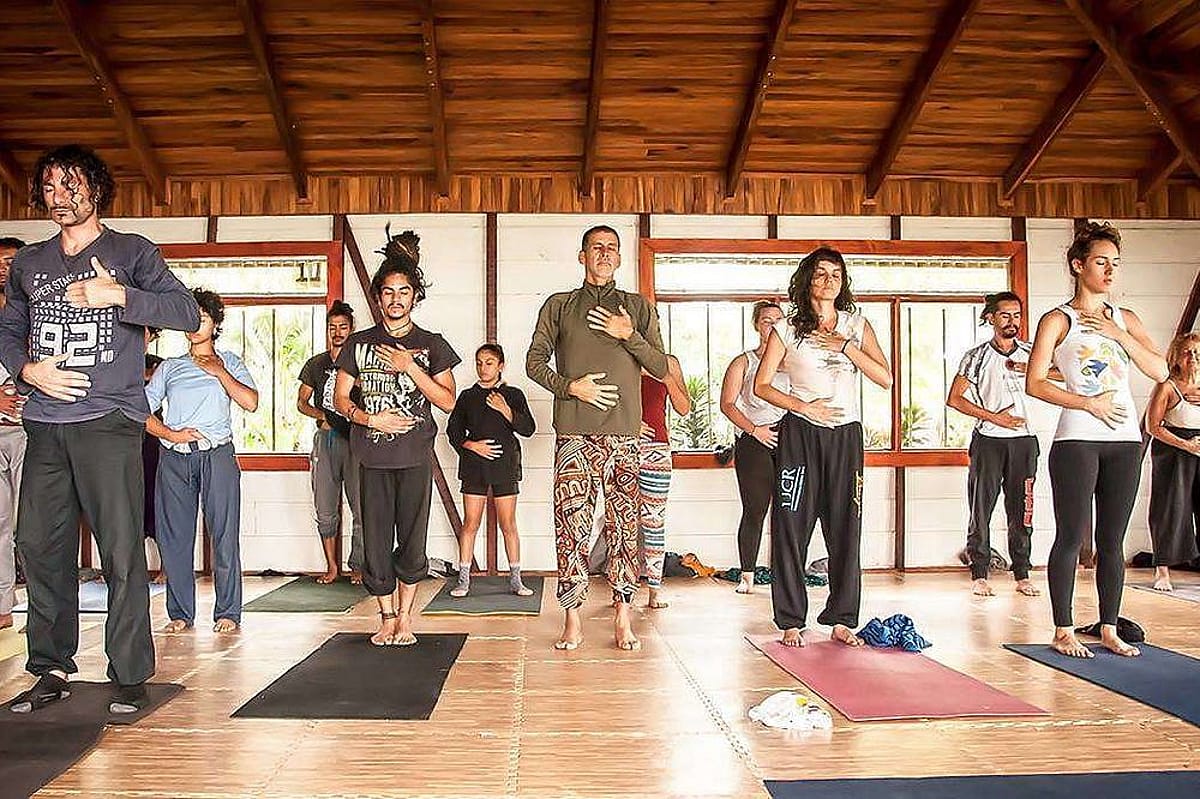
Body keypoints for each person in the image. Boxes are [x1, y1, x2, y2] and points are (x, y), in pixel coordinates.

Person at [0, 144, 200, 714]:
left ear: (95, 189)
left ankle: (131, 675)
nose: (60, 197)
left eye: (71, 185)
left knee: (119, 551)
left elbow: (186, 314)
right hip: (43, 421)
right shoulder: (31, 263)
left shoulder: (131, 252)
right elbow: (8, 327)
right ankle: (52, 667)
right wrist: (26, 367)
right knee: (39, 546)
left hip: (110, 421)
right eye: (50, 187)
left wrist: (120, 295)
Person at [1026, 221, 1167, 659]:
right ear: (1078, 264)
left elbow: (1162, 371)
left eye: (1116, 264)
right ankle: (1063, 628)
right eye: (1101, 262)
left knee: (1113, 540)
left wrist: (1118, 334)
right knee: (1071, 536)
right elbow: (1035, 383)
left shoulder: (1126, 319)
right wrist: (1087, 404)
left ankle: (1108, 627)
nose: (1110, 271)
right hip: (1077, 441)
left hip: (1124, 442)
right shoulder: (1057, 319)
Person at [526, 224, 667, 651]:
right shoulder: (560, 305)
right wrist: (572, 387)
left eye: (611, 248)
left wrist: (629, 335)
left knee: (625, 528)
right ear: (582, 256)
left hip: (626, 437)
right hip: (574, 434)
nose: (604, 254)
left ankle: (624, 618)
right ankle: (572, 618)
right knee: (571, 528)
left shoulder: (638, 309)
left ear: (620, 258)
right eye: (596, 248)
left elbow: (660, 366)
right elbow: (534, 363)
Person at [753, 247, 892, 648]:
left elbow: (885, 377)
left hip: (845, 436)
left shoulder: (857, 325)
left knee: (846, 526)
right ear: (807, 280)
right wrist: (802, 406)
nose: (829, 280)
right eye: (820, 274)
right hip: (800, 434)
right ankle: (791, 619)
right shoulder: (787, 329)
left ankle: (842, 617)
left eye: (836, 274)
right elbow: (761, 384)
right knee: (791, 526)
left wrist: (846, 346)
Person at [334, 229, 459, 647]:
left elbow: (447, 401)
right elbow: (338, 398)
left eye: (403, 292)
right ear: (379, 297)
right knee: (374, 546)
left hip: (414, 459)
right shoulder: (358, 343)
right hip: (371, 458)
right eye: (388, 292)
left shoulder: (432, 345)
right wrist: (369, 418)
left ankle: (406, 618)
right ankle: (385, 617)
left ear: (414, 297)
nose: (395, 299)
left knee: (412, 544)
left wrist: (411, 367)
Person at [146, 289, 258, 634]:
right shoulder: (169, 367)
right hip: (176, 459)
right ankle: (180, 613)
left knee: (224, 536)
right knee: (175, 538)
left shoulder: (231, 361)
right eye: (190, 318)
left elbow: (251, 402)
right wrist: (170, 433)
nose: (196, 325)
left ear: (216, 323)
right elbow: (139, 412)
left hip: (217, 456)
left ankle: (228, 612)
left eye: (203, 318)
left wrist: (220, 372)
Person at [946, 292, 1044, 598]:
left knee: (1022, 510)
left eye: (1016, 315)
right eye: (1005, 315)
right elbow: (955, 398)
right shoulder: (976, 356)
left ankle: (1022, 572)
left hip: (1025, 442)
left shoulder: (1031, 353)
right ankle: (979, 573)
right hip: (989, 441)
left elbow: (1061, 375)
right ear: (991, 318)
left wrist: (1031, 370)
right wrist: (994, 418)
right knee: (981, 508)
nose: (1012, 321)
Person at [446, 343, 536, 598]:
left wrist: (505, 409)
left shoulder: (514, 394)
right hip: (474, 467)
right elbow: (453, 432)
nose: (483, 367)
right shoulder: (466, 396)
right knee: (470, 523)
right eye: (479, 362)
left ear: (500, 366)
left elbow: (528, 428)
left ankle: (516, 580)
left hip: (504, 466)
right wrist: (471, 445)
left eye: (489, 363)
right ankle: (463, 580)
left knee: (508, 523)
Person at [719, 300, 788, 595]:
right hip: (754, 439)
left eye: (777, 320)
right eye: (765, 320)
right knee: (755, 509)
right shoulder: (743, 362)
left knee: (790, 512)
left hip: (789, 439)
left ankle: (785, 575)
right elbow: (728, 404)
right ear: (756, 325)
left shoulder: (793, 362)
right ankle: (747, 574)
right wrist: (754, 430)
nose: (772, 325)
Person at [298, 301, 364, 585]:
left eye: (343, 327)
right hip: (325, 439)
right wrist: (320, 414)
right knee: (325, 506)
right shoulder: (316, 364)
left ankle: (358, 566)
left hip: (356, 440)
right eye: (333, 327)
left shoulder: (362, 364)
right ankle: (332, 566)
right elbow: (301, 402)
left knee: (361, 506)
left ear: (351, 330)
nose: (337, 332)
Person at [1145, 332, 1200, 592]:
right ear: (1177, 357)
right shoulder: (1167, 387)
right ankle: (1162, 569)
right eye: (1187, 352)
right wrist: (1186, 445)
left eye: (1197, 352)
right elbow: (1153, 426)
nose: (1193, 357)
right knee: (1170, 508)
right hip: (1174, 449)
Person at [637, 354, 690, 608]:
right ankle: (620, 592)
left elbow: (683, 407)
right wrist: (627, 424)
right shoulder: (616, 355)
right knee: (620, 520)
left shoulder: (669, 363)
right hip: (622, 446)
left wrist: (667, 378)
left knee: (654, 522)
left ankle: (654, 589)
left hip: (657, 450)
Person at [0, 237, 27, 631]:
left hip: (30, 429)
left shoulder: (41, 312)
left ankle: (43, 607)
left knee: (36, 524)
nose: (5, 268)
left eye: (12, 261)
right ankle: (2, 605)